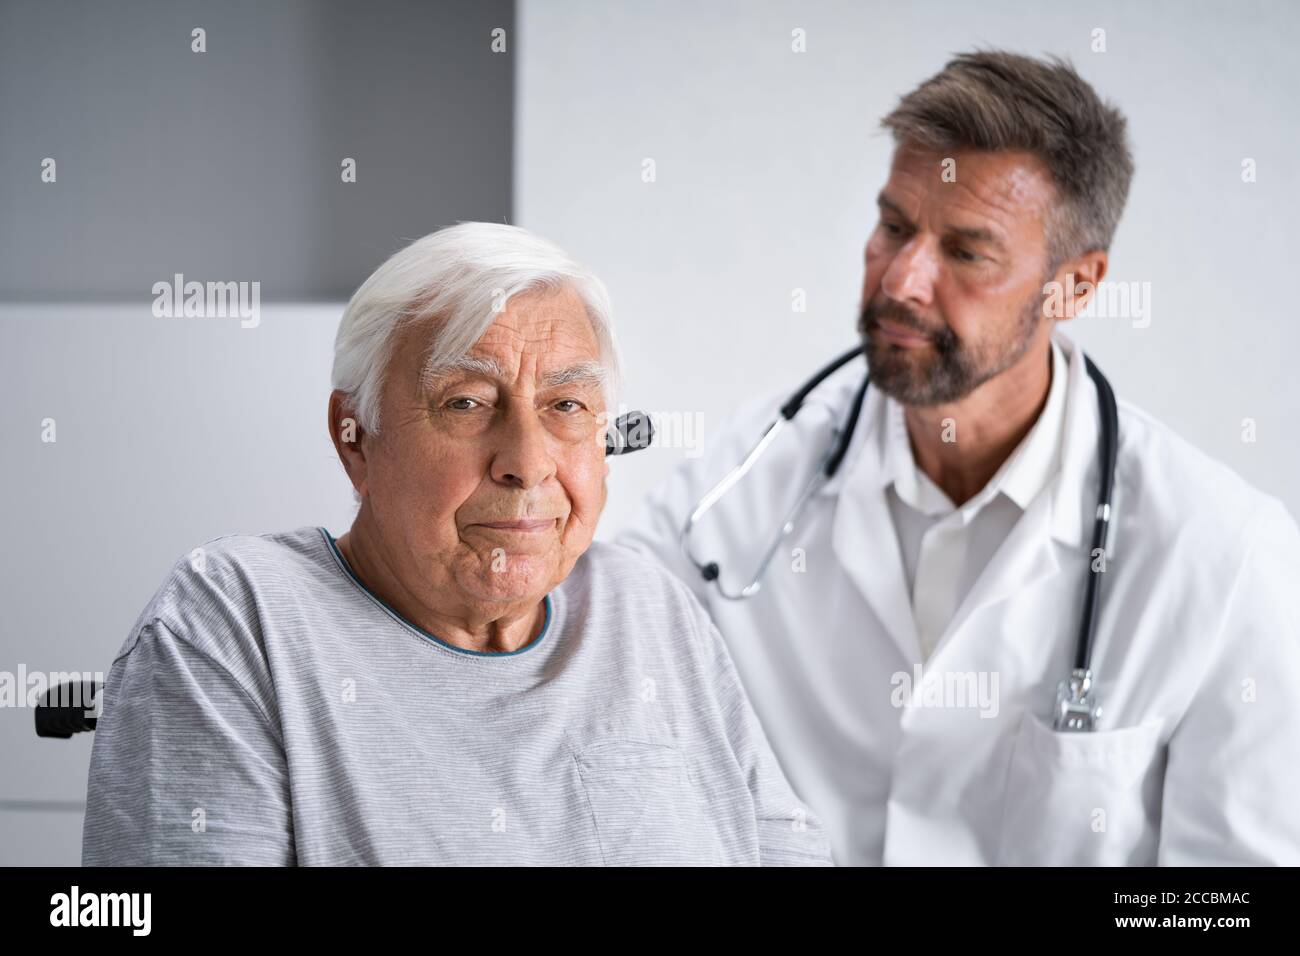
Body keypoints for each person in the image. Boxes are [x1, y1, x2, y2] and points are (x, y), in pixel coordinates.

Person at [617, 51, 1300, 865]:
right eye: (894, 227)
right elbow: (594, 651)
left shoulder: (1224, 553)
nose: (902, 279)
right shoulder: (744, 479)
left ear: (1075, 285)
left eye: (967, 252)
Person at [81, 222, 832, 866]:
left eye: (567, 405)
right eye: (467, 403)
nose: (528, 461)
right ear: (357, 440)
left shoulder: (644, 606)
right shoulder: (239, 619)